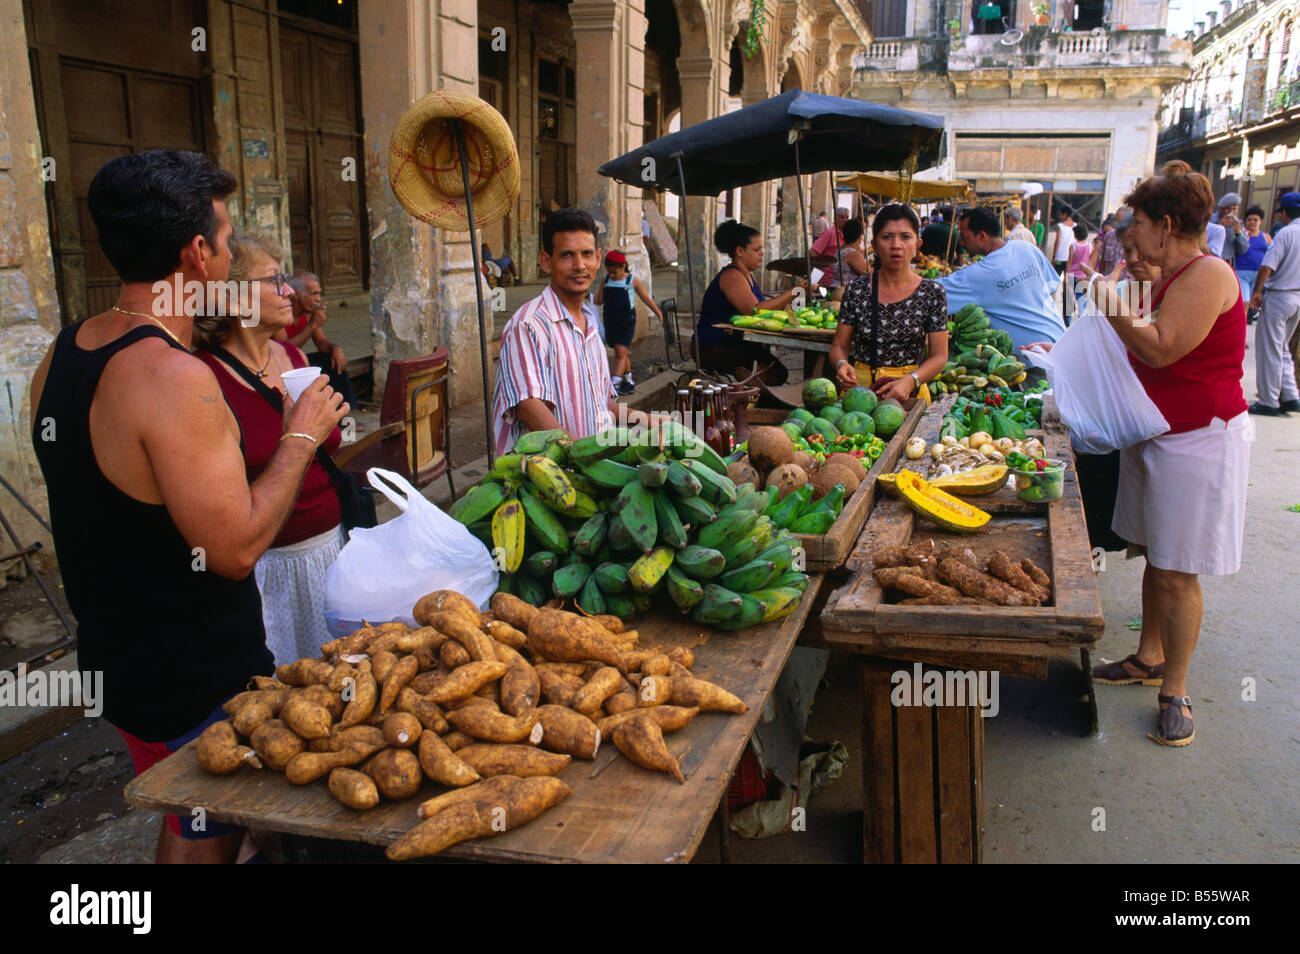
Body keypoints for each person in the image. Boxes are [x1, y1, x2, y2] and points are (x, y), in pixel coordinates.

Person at [28, 149, 346, 862]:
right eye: (229, 238)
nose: (234, 254)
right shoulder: (175, 379)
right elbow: (232, 550)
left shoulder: (65, 351)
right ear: (197, 254)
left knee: (185, 814)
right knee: (209, 832)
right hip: (193, 673)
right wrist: (299, 440)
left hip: (117, 656)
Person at [1086, 160, 1250, 748]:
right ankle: (1147, 656)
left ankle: (1174, 690)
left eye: (1141, 222)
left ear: (1168, 223)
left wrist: (1113, 307)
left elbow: (1160, 350)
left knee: (1179, 572)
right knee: (1157, 555)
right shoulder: (1169, 274)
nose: (1134, 233)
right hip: (1159, 433)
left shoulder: (1207, 274)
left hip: (1199, 439)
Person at [193, 231, 346, 667]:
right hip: (268, 571)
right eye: (273, 280)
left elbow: (325, 447)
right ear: (234, 298)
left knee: (337, 679)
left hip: (328, 553)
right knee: (281, 691)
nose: (288, 292)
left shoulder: (292, 358)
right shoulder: (205, 378)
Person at [493, 208, 654, 455]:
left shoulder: (589, 323)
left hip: (591, 470)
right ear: (546, 261)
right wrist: (581, 458)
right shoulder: (528, 325)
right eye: (567, 255)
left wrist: (648, 421)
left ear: (598, 258)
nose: (580, 266)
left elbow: (601, 405)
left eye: (587, 254)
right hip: (549, 478)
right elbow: (529, 407)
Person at [828, 203, 948, 404]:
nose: (896, 245)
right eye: (887, 237)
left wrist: (911, 381)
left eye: (905, 237)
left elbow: (939, 356)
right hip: (859, 394)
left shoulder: (932, 293)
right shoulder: (857, 290)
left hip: (909, 394)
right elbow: (839, 345)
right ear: (874, 245)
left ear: (918, 244)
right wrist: (841, 364)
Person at [693, 219, 807, 385]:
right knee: (774, 373)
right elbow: (754, 310)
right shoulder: (732, 276)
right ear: (740, 251)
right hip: (712, 348)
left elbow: (762, 305)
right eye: (757, 249)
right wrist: (791, 293)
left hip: (734, 343)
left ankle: (756, 400)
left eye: (761, 248)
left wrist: (787, 305)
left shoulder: (747, 274)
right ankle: (750, 404)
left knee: (779, 372)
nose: (762, 252)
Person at [938, 206, 1066, 350]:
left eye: (964, 237)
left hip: (1034, 357)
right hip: (1060, 341)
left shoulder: (979, 274)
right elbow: (1055, 289)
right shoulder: (1027, 248)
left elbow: (932, 293)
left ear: (981, 236)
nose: (961, 243)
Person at [1246, 191, 1300, 415]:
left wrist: (1257, 290)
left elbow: (1267, 265)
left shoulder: (1286, 233)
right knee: (1283, 348)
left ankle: (1269, 400)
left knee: (1270, 349)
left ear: (1285, 213)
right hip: (1297, 298)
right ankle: (1290, 395)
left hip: (1280, 295)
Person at [279, 271, 357, 412]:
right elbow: (283, 350)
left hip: (298, 361)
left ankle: (345, 412)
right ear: (296, 294)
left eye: (319, 294)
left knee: (332, 360)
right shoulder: (282, 313)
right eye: (313, 294)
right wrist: (312, 325)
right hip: (283, 366)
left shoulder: (308, 314)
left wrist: (335, 349)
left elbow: (320, 341)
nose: (318, 299)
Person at [593, 250, 663, 395]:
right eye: (609, 272)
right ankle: (628, 380)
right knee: (621, 351)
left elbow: (646, 298)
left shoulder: (631, 280)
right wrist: (583, 296)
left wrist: (658, 313)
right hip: (611, 321)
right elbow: (599, 301)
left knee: (620, 351)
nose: (611, 275)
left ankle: (615, 384)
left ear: (623, 266)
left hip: (626, 321)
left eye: (614, 272)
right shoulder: (605, 280)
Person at [1233, 204, 1272, 324]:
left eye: (1255, 219)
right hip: (1242, 273)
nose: (1252, 222)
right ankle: (1241, 339)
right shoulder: (1241, 235)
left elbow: (1271, 255)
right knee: (1243, 305)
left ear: (1260, 221)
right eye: (1249, 219)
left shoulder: (1265, 237)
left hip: (1258, 275)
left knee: (1250, 306)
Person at [818, 217, 871, 300]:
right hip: (842, 294)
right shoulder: (851, 253)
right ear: (860, 236)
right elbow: (868, 272)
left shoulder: (843, 249)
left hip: (836, 290)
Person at [1211, 192, 1249, 264]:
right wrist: (1219, 226)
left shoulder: (1238, 223)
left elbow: (1243, 250)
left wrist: (1238, 233)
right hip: (1210, 259)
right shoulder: (1210, 220)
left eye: (1234, 209)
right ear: (1221, 209)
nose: (1231, 212)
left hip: (1227, 262)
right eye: (1228, 209)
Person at [1044, 204, 1075, 274]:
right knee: (1069, 279)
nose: (1059, 216)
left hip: (1060, 256)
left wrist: (1054, 256)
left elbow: (1057, 241)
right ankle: (1069, 285)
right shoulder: (1076, 226)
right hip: (1070, 257)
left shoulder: (1060, 226)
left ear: (1065, 214)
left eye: (1061, 215)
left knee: (1056, 277)